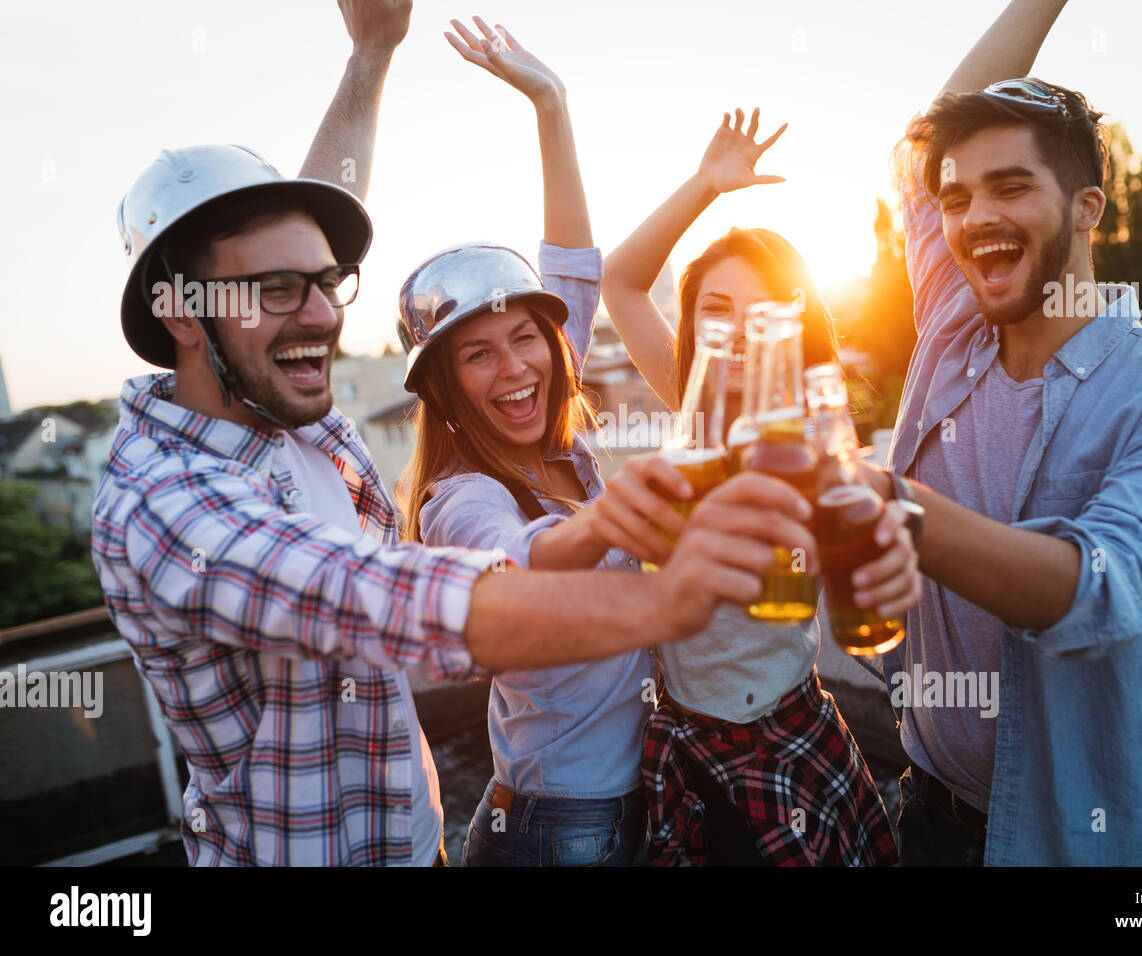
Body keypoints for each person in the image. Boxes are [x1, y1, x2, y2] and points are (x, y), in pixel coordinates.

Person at [90, 1, 818, 867]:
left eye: (328, 283)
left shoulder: (287, 412)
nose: (321, 313)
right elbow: (364, 593)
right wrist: (673, 590)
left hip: (418, 840)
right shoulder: (162, 498)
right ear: (181, 311)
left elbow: (567, 283)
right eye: (283, 290)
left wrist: (374, 55)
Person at [853, 0, 1142, 865]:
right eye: (956, 197)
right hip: (925, 814)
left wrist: (895, 508)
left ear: (1086, 208)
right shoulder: (956, 319)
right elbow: (928, 137)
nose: (973, 218)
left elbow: (1106, 587)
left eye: (1011, 187)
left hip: (1083, 844)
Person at [601, 110, 915, 865]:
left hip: (789, 730)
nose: (738, 333)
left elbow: (852, 575)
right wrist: (706, 187)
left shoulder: (811, 449)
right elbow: (619, 279)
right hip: (683, 735)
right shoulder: (691, 408)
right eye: (717, 313)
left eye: (761, 316)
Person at [398, 18, 671, 866]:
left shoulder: (553, 428)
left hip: (628, 796)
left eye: (526, 339)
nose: (513, 369)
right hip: (564, 823)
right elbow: (515, 562)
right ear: (442, 387)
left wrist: (550, 101)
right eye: (477, 353)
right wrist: (628, 514)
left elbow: (573, 269)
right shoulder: (460, 501)